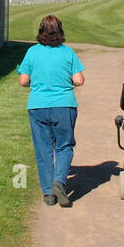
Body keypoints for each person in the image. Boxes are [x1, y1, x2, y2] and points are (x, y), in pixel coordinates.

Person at [17, 14, 85, 207]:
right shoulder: (67, 52)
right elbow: (78, 80)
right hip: (64, 105)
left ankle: (48, 193)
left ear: (41, 31)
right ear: (60, 31)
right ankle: (59, 182)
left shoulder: (32, 52)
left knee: (43, 149)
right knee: (64, 145)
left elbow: (23, 80)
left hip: (38, 105)